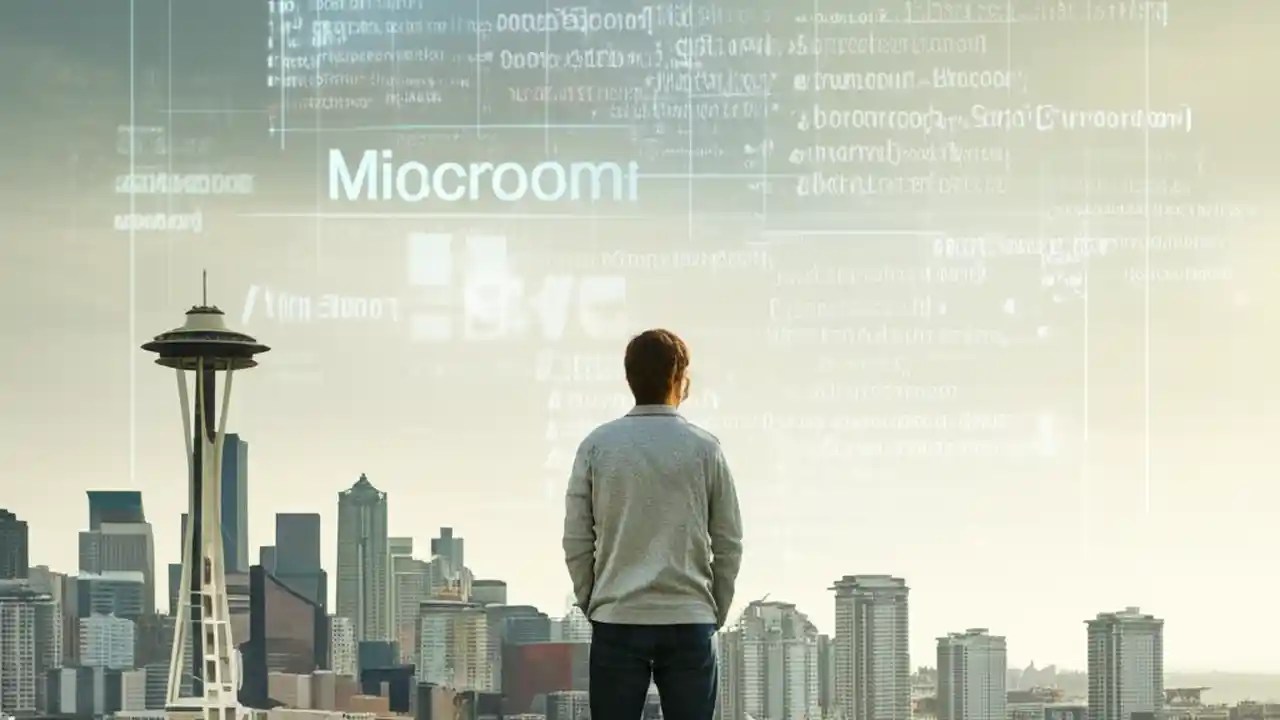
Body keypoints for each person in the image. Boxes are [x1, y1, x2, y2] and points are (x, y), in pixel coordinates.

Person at [562, 328, 744, 720]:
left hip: (618, 618)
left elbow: (576, 539)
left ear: (629, 377)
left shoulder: (597, 445)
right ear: (679, 376)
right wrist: (714, 609)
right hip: (689, 618)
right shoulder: (706, 448)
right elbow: (729, 542)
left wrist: (594, 601)